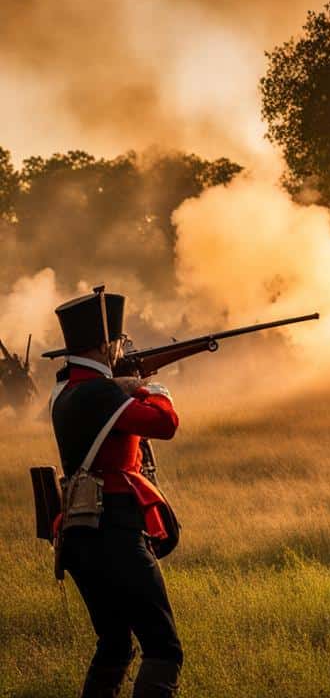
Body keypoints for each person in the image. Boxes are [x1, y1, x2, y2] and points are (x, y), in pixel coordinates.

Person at [48, 289, 183, 697]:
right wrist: (151, 387)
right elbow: (165, 424)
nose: (123, 348)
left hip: (80, 536)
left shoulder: (66, 391)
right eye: (120, 342)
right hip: (116, 532)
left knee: (114, 646)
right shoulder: (102, 392)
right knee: (163, 649)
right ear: (107, 344)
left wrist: (123, 384)